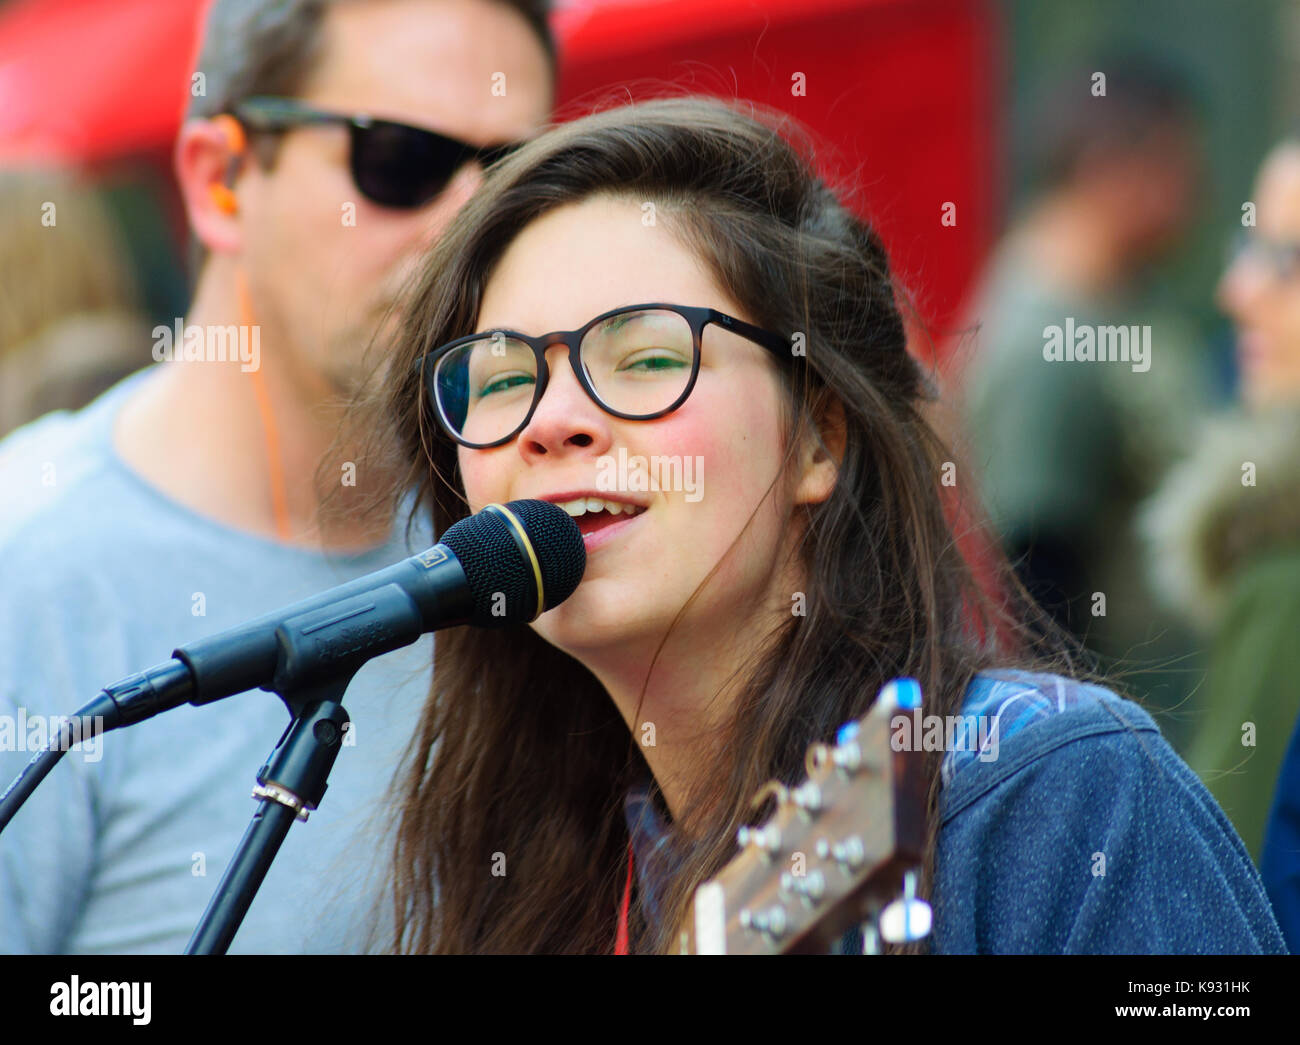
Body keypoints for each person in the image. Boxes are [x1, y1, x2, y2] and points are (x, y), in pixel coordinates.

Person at [359, 95, 1286, 953]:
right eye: (505, 377)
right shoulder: (539, 864)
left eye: (644, 357)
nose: (553, 418)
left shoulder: (1055, 796)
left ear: (818, 439)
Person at [0, 0, 555, 953]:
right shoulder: (29, 570)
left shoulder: (527, 547)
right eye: (400, 161)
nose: (469, 228)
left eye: (511, 181)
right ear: (221, 182)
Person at [954, 59, 1212, 750]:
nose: (1197, 194)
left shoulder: (1124, 292)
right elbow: (1040, 589)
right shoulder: (1042, 336)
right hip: (1132, 738)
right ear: (1108, 169)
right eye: (1177, 165)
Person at [1142, 138, 1300, 865]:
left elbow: (1208, 895)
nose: (1236, 290)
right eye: (1249, 246)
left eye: (1286, 259)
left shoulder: (1283, 577)